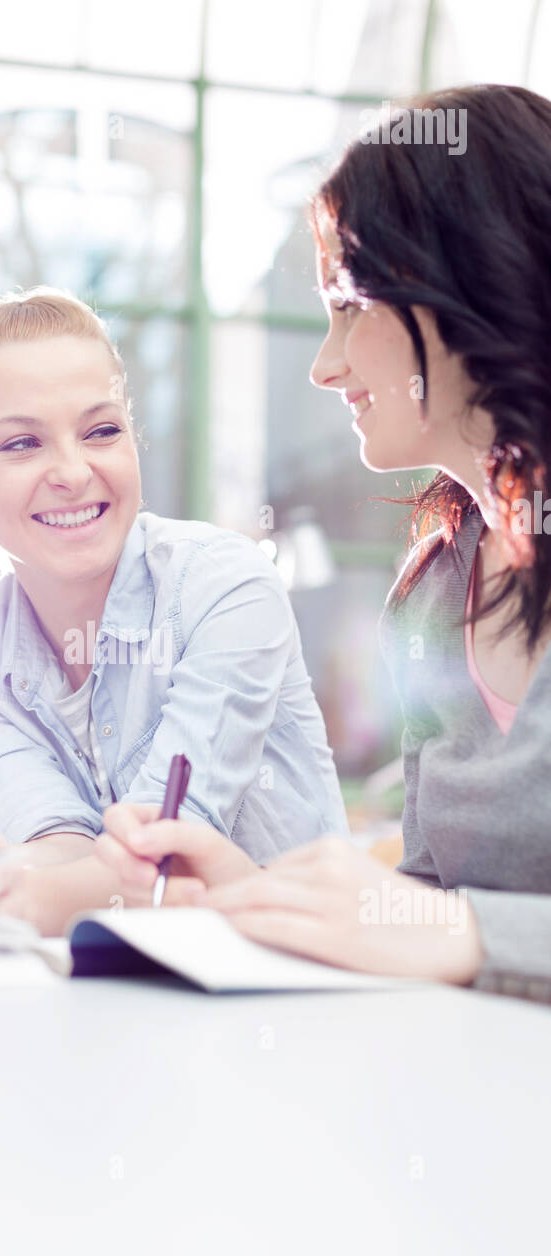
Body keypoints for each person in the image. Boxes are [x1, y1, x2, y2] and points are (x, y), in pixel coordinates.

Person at [97, 85, 551, 994]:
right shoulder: (431, 595)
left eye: (350, 304)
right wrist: (259, 896)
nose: (324, 362)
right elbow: (428, 902)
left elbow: (454, 929)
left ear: (467, 285)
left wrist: (467, 936)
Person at [0, 288, 347, 935]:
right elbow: (58, 840)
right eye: (21, 444)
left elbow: (169, 851)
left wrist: (19, 893)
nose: (72, 470)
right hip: (125, 1001)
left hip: (302, 987)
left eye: (101, 432)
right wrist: (5, 868)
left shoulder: (224, 586)